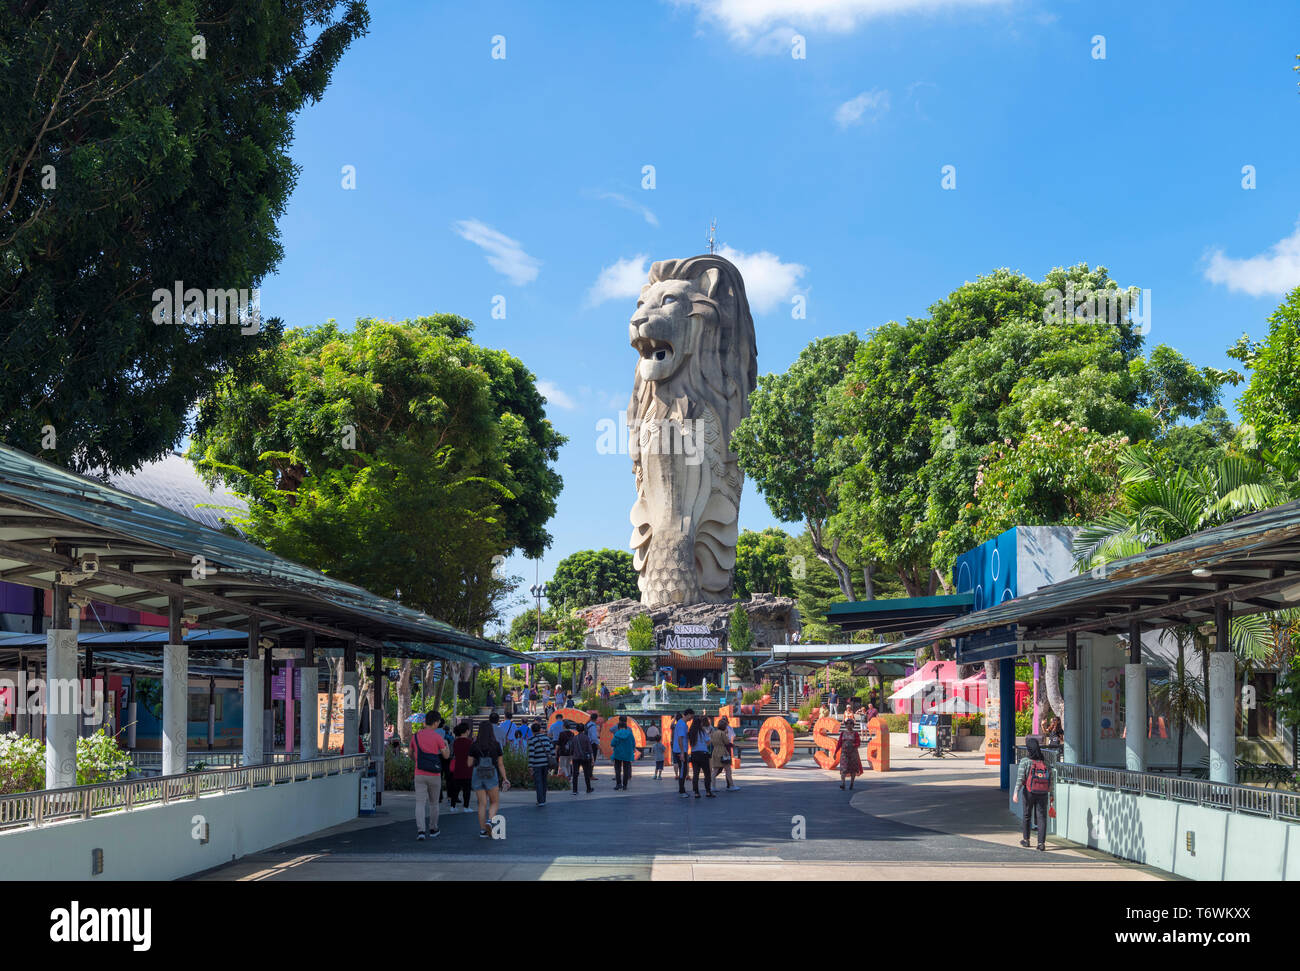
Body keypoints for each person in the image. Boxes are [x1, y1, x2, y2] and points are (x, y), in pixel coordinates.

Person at [412, 712, 450, 840]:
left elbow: (411, 753)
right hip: (434, 774)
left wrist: (417, 761)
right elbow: (446, 756)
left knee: (420, 803)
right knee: (434, 803)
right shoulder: (437, 737)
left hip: (419, 773)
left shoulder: (415, 736)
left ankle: (421, 831)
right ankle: (433, 829)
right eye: (438, 722)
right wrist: (446, 745)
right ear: (435, 722)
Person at [1013, 736, 1053, 851]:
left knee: (1027, 815)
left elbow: (1020, 779)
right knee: (1042, 817)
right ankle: (1041, 843)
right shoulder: (1046, 762)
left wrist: (1016, 792)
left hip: (1029, 792)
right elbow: (1051, 780)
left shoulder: (1025, 761)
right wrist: (1052, 794)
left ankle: (1026, 840)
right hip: (1043, 793)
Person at [469, 721, 508, 838]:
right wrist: (505, 778)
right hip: (491, 774)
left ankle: (482, 830)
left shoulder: (474, 745)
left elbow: (469, 763)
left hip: (478, 774)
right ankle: (490, 821)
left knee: (482, 803)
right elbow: (500, 764)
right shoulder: (496, 745)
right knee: (494, 801)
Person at [446, 721, 473, 812]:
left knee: (455, 789)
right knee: (467, 789)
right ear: (466, 731)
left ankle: (453, 806)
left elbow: (450, 754)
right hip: (467, 768)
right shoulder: (470, 742)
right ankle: (466, 807)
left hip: (457, 768)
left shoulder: (455, 742)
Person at [527, 719, 555, 806]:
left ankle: (541, 801)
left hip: (537, 764)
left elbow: (531, 754)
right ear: (539, 729)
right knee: (544, 781)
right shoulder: (546, 738)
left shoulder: (532, 740)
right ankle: (543, 799)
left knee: (538, 782)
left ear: (532, 731)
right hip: (546, 764)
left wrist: (530, 766)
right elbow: (552, 751)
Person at [688, 715, 714, 798]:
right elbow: (708, 742)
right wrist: (709, 737)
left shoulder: (691, 732)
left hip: (694, 754)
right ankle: (708, 792)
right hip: (703, 754)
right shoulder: (702, 731)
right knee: (707, 773)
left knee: (696, 774)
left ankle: (696, 792)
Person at [834, 717, 863, 790]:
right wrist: (835, 752)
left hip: (853, 753)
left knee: (853, 769)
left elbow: (858, 743)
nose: (849, 725)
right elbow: (839, 743)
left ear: (853, 725)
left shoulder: (855, 733)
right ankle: (843, 783)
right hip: (844, 753)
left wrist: (853, 745)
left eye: (850, 724)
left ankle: (852, 783)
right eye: (847, 724)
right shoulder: (843, 733)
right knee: (843, 768)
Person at [569, 719, 595, 794]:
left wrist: (571, 757)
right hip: (585, 758)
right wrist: (592, 759)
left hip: (576, 758)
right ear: (583, 729)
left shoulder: (574, 738)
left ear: (577, 729)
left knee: (575, 774)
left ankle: (575, 790)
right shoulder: (586, 737)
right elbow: (590, 749)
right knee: (586, 773)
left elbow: (572, 749)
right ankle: (588, 788)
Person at [611, 715, 636, 790]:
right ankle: (625, 785)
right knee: (626, 770)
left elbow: (612, 743)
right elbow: (633, 743)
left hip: (618, 754)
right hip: (627, 754)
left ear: (619, 726)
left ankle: (618, 784)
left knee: (618, 769)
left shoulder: (616, 734)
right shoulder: (630, 733)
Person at [710, 716, 734, 792]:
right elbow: (727, 742)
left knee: (715, 771)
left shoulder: (714, 733)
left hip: (715, 751)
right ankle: (731, 786)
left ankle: (713, 786)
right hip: (723, 752)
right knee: (728, 770)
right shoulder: (723, 733)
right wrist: (726, 734)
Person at [674, 710, 694, 797]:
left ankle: (681, 790)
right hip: (680, 751)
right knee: (683, 770)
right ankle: (682, 791)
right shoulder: (682, 724)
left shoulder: (681, 723)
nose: (692, 718)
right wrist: (682, 752)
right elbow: (680, 739)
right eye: (691, 716)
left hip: (679, 750)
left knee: (683, 770)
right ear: (688, 715)